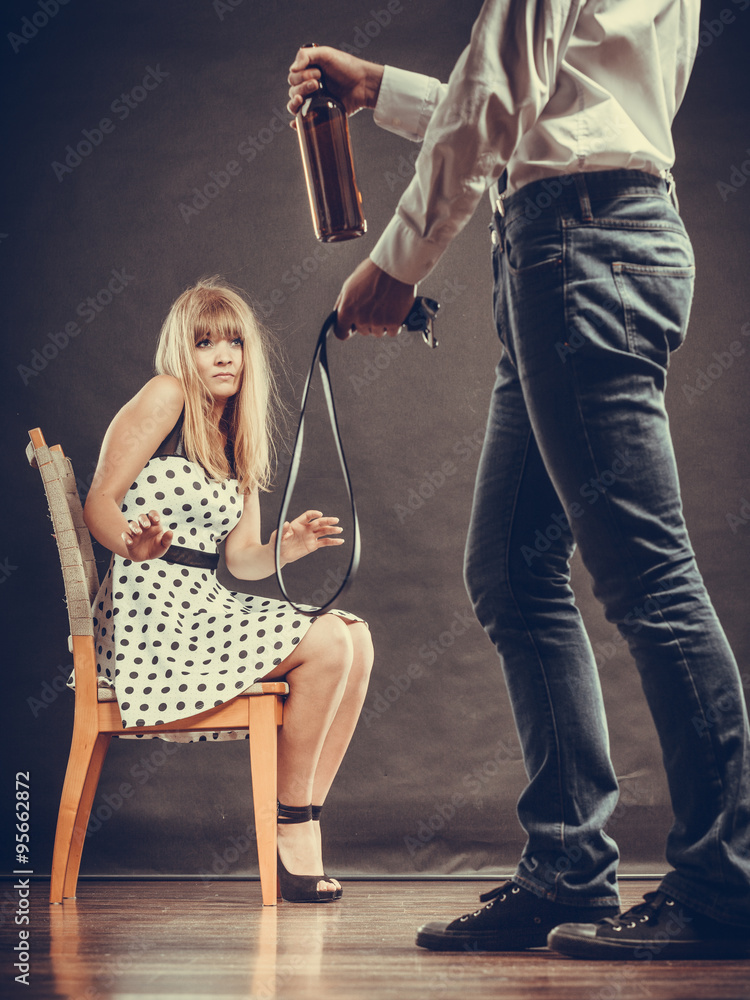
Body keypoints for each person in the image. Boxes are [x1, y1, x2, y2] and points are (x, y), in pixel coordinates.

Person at [287, 0, 750, 956]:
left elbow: (506, 89)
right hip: (568, 241)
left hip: (577, 242)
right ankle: (567, 870)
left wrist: (398, 261)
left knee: (648, 578)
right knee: (510, 568)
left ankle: (725, 884)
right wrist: (381, 92)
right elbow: (558, 92)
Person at [83, 277, 373, 903]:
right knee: (325, 640)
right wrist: (130, 545)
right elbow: (98, 501)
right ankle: (290, 830)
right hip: (149, 613)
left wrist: (286, 546)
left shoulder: (235, 432)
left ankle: (300, 819)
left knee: (356, 637)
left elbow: (240, 560)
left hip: (205, 606)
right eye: (206, 342)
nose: (223, 355)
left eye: (235, 342)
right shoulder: (166, 397)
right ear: (184, 352)